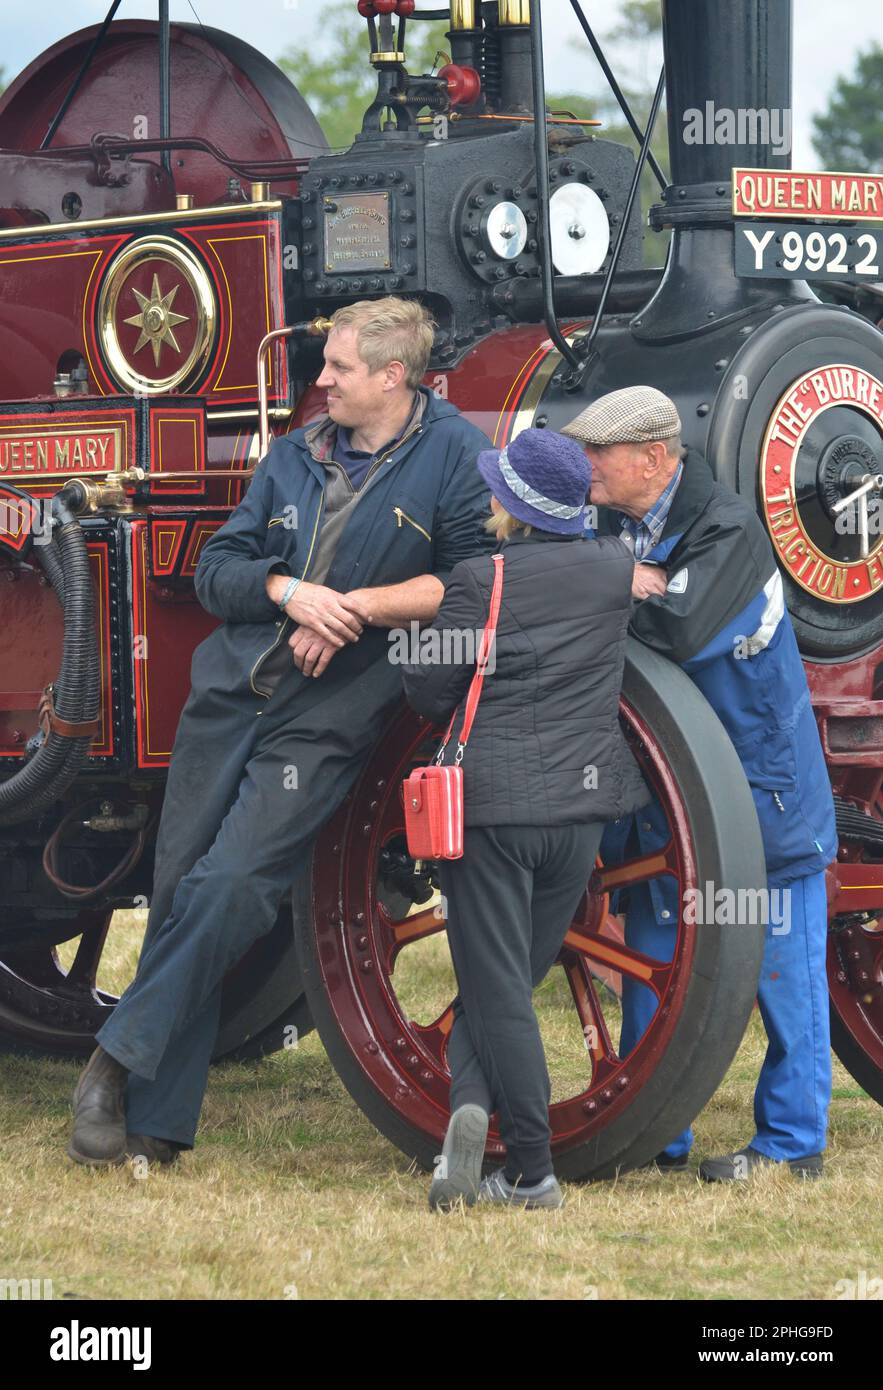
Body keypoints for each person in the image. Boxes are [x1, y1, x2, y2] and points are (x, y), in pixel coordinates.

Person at [68, 296, 493, 1167]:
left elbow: (472, 583)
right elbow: (217, 568)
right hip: (230, 697)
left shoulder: (456, 454)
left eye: (337, 367)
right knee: (180, 886)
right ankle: (155, 1125)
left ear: (392, 377)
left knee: (232, 888)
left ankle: (111, 1062)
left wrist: (353, 609)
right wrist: (286, 593)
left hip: (330, 714)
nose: (321, 380)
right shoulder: (297, 449)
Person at [562, 385, 837, 1182]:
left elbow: (675, 633)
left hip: (757, 792)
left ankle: (790, 1145)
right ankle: (655, 1137)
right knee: (653, 963)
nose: (586, 468)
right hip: (662, 793)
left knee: (783, 971)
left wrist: (617, 586)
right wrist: (631, 578)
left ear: (652, 458)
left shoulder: (730, 531)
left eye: (597, 454)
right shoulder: (611, 523)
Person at [401, 428, 649, 1210]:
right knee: (501, 979)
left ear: (513, 507)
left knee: (499, 988)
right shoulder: (615, 569)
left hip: (492, 816)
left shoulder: (479, 579)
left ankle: (535, 1173)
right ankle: (469, 1113)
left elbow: (427, 687)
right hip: (581, 816)